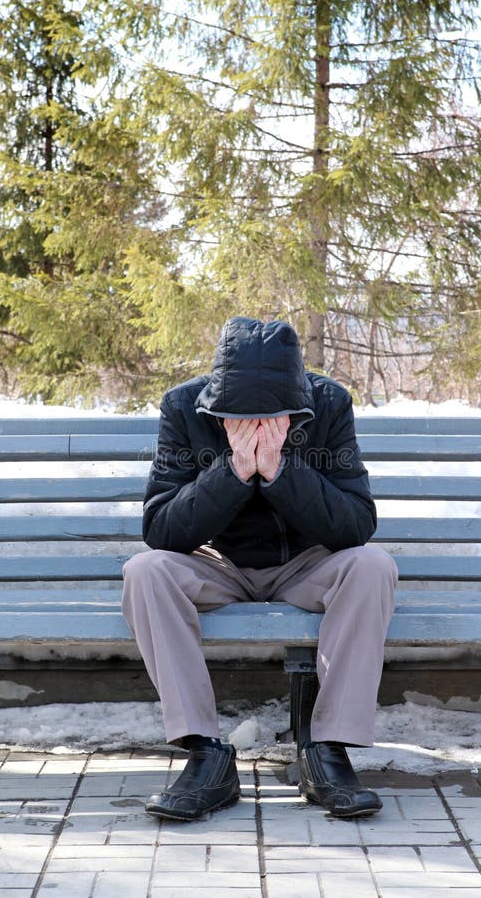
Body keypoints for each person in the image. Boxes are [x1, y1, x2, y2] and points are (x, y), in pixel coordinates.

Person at [121, 316, 397, 821]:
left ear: (296, 404)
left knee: (372, 566)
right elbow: (161, 528)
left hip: (305, 565)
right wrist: (233, 472)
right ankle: (205, 754)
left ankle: (328, 751)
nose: (253, 425)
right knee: (146, 572)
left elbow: (356, 524)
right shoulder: (184, 407)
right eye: (237, 416)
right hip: (218, 563)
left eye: (271, 417)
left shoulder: (329, 405)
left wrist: (279, 472)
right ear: (217, 402)